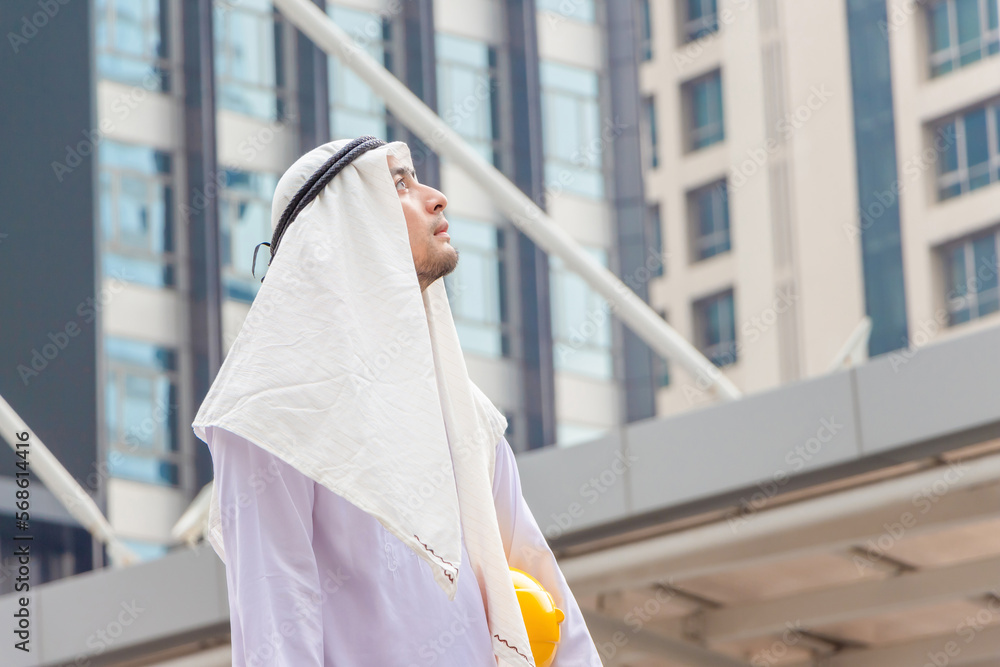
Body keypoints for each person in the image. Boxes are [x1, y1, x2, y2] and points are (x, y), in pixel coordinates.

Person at [192, 137, 603, 666]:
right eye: (399, 183)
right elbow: (277, 626)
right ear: (343, 226)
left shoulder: (466, 412)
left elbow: (537, 581)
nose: (436, 197)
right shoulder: (270, 410)